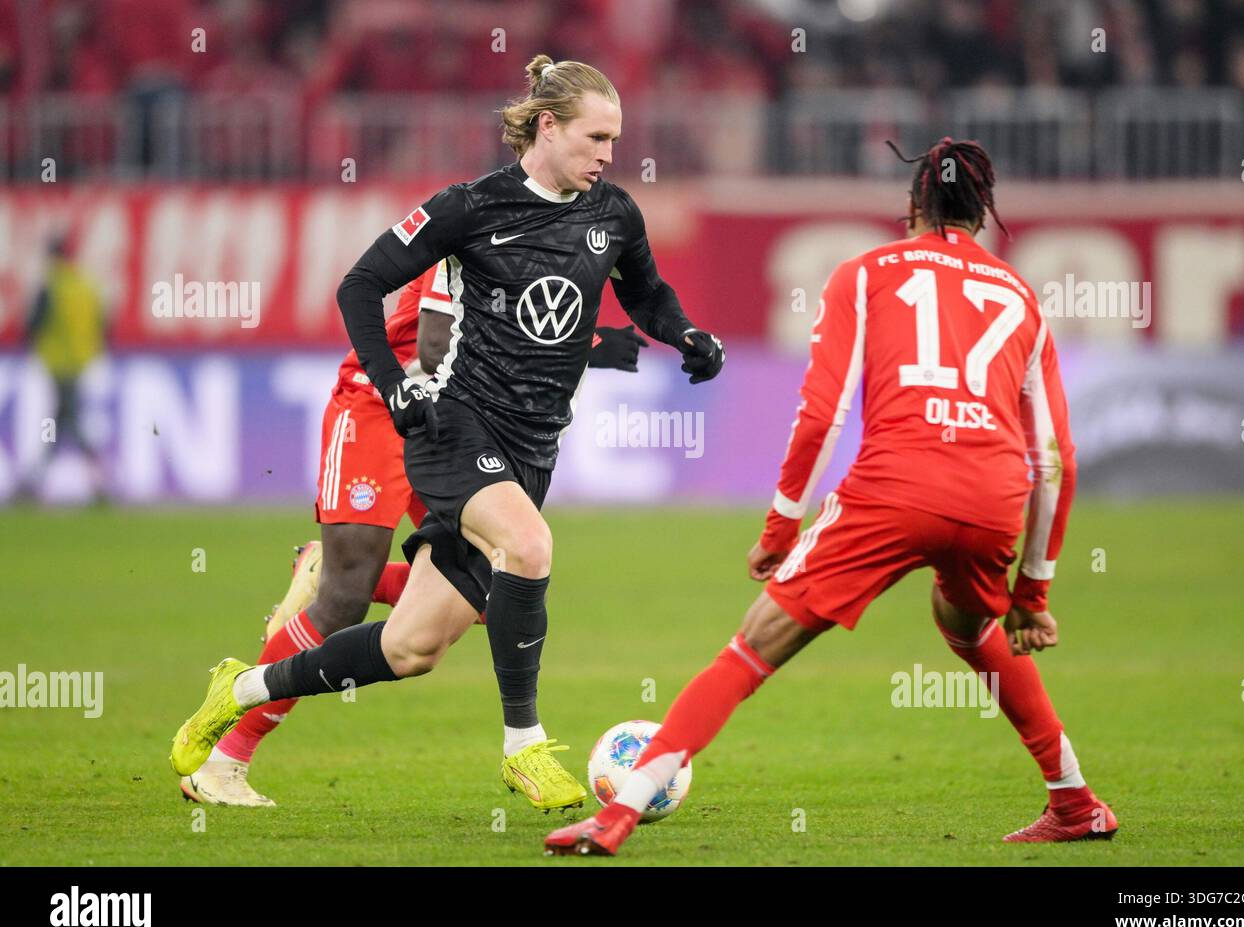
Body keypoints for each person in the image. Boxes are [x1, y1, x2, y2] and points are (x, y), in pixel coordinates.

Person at [169, 54, 725, 813]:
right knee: (523, 550)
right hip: (450, 424)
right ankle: (524, 747)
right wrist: (398, 384)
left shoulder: (613, 215)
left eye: (616, 140)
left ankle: (242, 688)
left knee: (411, 647)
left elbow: (647, 294)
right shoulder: (470, 208)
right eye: (597, 136)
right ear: (548, 125)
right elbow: (364, 285)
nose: (609, 154)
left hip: (532, 447)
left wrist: (686, 334)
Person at [545, 137, 1118, 856]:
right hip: (993, 495)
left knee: (752, 647)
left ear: (913, 205)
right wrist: (1034, 589)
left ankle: (618, 815)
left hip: (895, 489)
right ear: (983, 213)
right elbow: (1056, 458)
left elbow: (823, 411)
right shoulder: (1020, 297)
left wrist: (782, 524)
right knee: (968, 624)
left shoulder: (867, 273)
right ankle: (1075, 800)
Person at [181, 262, 648, 807]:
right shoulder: (473, 230)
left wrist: (584, 343)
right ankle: (224, 761)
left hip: (453, 431)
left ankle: (329, 568)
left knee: (492, 594)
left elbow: (513, 323)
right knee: (342, 601)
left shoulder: (534, 244)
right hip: (382, 410)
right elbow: (434, 346)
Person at [22, 234, 108, 499]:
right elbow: (104, 323)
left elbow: (33, 325)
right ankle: (94, 481)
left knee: (65, 422)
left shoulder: (52, 287)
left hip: (58, 365)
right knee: (62, 421)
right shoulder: (86, 285)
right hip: (82, 363)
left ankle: (96, 480)